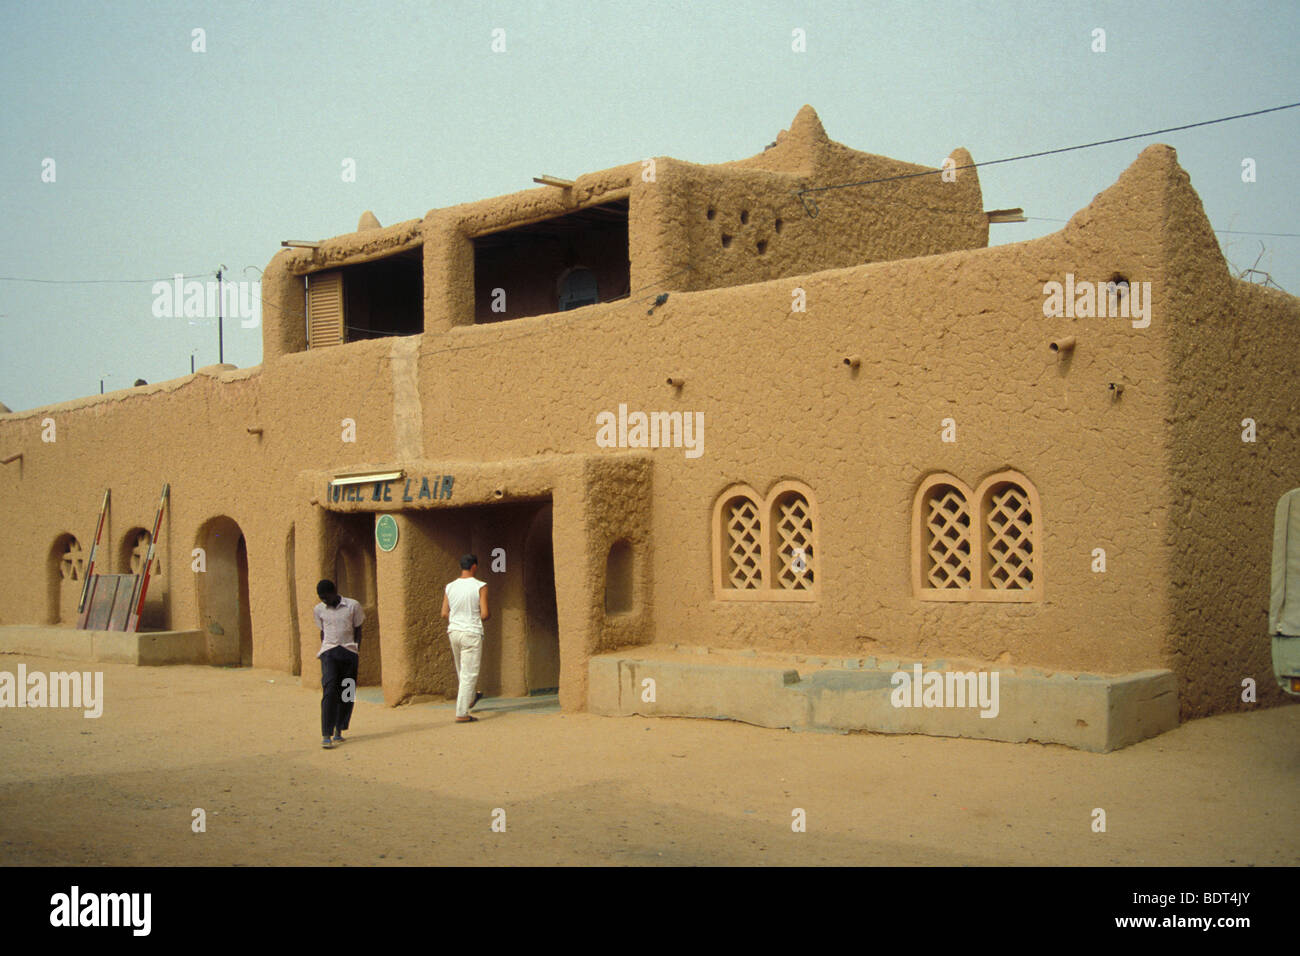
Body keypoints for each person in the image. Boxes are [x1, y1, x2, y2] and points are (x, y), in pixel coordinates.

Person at [313, 579, 363, 749]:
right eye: (321, 598)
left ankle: (339, 729)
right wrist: (325, 649)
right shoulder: (319, 610)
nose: (324, 601)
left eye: (326, 597)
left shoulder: (352, 606)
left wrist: (355, 650)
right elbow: (322, 631)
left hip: (349, 652)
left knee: (347, 691)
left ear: (335, 591)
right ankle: (326, 733)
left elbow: (358, 629)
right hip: (329, 652)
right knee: (330, 689)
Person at [441, 553, 489, 723]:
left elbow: (444, 613)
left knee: (462, 670)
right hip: (472, 632)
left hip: (454, 631)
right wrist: (474, 618)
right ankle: (462, 713)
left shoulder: (450, 586)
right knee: (470, 673)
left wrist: (458, 620)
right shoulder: (480, 586)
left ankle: (469, 698)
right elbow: (484, 613)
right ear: (474, 566)